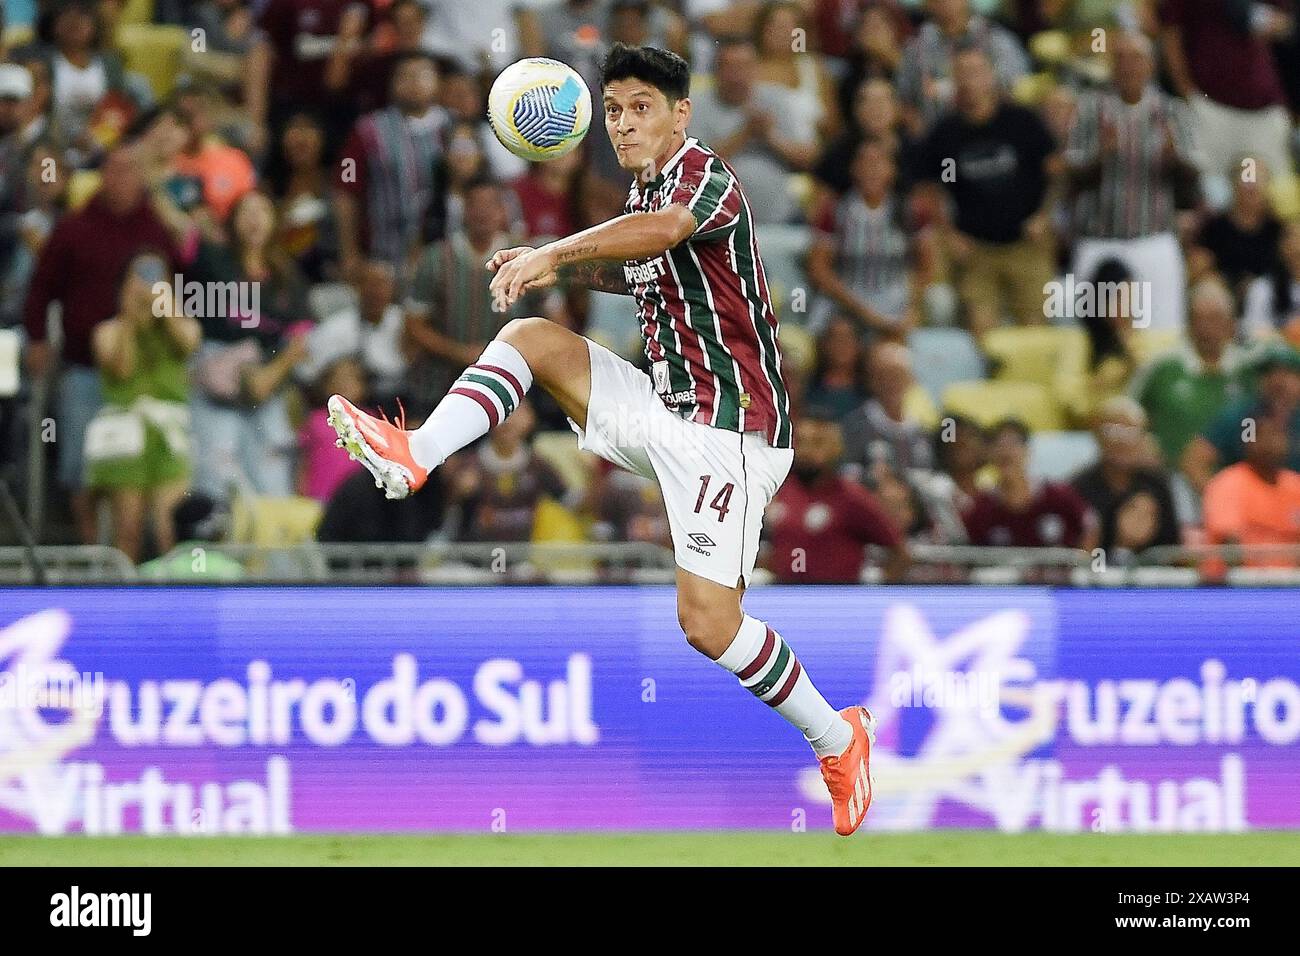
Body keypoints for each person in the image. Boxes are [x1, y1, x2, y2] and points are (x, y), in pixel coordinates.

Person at [326, 44, 878, 835]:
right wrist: (556, 270)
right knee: (530, 338)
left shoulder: (703, 175)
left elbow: (659, 233)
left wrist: (557, 248)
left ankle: (838, 735)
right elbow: (641, 265)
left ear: (681, 114)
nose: (623, 123)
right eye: (614, 109)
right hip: (666, 405)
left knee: (708, 625)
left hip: (729, 429)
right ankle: (418, 453)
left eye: (641, 107)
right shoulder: (646, 190)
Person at [23, 145, 177, 544]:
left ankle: (142, 556)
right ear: (102, 176)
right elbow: (41, 288)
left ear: (141, 178)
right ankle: (94, 552)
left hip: (143, 372)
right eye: (114, 170)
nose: (122, 179)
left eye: (130, 171)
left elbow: (179, 285)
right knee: (83, 466)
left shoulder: (155, 229)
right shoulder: (74, 228)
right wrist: (37, 338)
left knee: (139, 470)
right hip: (85, 366)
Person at [911, 45, 1057, 340]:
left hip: (1026, 245)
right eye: (961, 74)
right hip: (975, 251)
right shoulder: (944, 133)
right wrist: (948, 233)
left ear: (991, 77)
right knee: (983, 333)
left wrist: (1045, 215)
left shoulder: (1022, 121)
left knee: (1035, 333)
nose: (968, 81)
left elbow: (1056, 171)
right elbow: (927, 191)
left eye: (975, 72)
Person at [1064, 32, 1196, 334]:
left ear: (1151, 64)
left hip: (1154, 237)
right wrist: (1100, 156)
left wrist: (1174, 158)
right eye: (1120, 58)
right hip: (1099, 238)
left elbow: (1193, 188)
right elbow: (1071, 177)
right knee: (1093, 334)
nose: (1128, 66)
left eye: (1136, 58)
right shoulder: (1088, 110)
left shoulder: (1173, 112)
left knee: (1163, 333)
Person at [86, 251, 201, 561]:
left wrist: (166, 307)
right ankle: (122, 600)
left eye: (156, 276)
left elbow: (189, 343)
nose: (148, 284)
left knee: (170, 529)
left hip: (168, 434)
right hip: (125, 436)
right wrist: (129, 316)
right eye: (141, 276)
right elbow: (121, 367)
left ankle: (174, 599)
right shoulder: (108, 331)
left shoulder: (179, 325)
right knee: (128, 529)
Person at [764, 411, 909, 583]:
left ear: (836, 448)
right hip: (784, 598)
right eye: (801, 442)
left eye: (817, 443)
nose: (806, 451)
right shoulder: (781, 491)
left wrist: (875, 586)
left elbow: (900, 553)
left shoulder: (851, 498)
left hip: (833, 600)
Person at [962, 417, 1098, 550]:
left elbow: (1090, 526)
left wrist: (1082, 564)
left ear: (1027, 451)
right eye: (998, 444)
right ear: (989, 455)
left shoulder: (1058, 494)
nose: (1005, 450)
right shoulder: (980, 508)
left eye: (1012, 443)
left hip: (1058, 571)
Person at [1071, 397, 1180, 561]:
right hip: (1096, 578)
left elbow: (1173, 550)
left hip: (1152, 579)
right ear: (1097, 437)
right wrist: (1121, 546)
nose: (1121, 441)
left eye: (1130, 432)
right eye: (1112, 431)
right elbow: (1078, 562)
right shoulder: (1078, 488)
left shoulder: (1157, 484)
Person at [1202, 406, 1300, 568]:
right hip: (1240, 586)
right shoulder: (1228, 483)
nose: (1271, 443)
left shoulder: (1295, 485)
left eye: (1276, 435)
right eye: (1263, 436)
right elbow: (1230, 549)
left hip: (1291, 585)